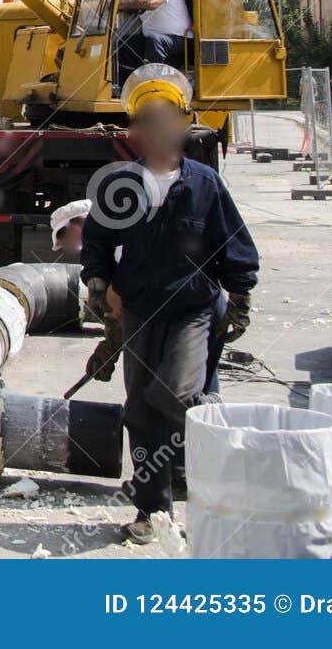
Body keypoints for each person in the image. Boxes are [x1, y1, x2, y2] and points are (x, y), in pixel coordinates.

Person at [80, 64, 257, 545]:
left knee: (175, 396)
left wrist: (239, 296)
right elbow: (96, 241)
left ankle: (225, 479)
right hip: (138, 309)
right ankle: (150, 509)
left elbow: (234, 243)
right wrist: (99, 288)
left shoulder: (203, 184)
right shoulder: (121, 185)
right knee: (140, 407)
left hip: (193, 310)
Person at [116, 0, 191, 86]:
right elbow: (139, 8)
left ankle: (153, 84)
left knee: (155, 40)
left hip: (180, 39)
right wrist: (117, 8)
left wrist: (124, 5)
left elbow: (152, 3)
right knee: (122, 43)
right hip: (155, 39)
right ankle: (125, 85)